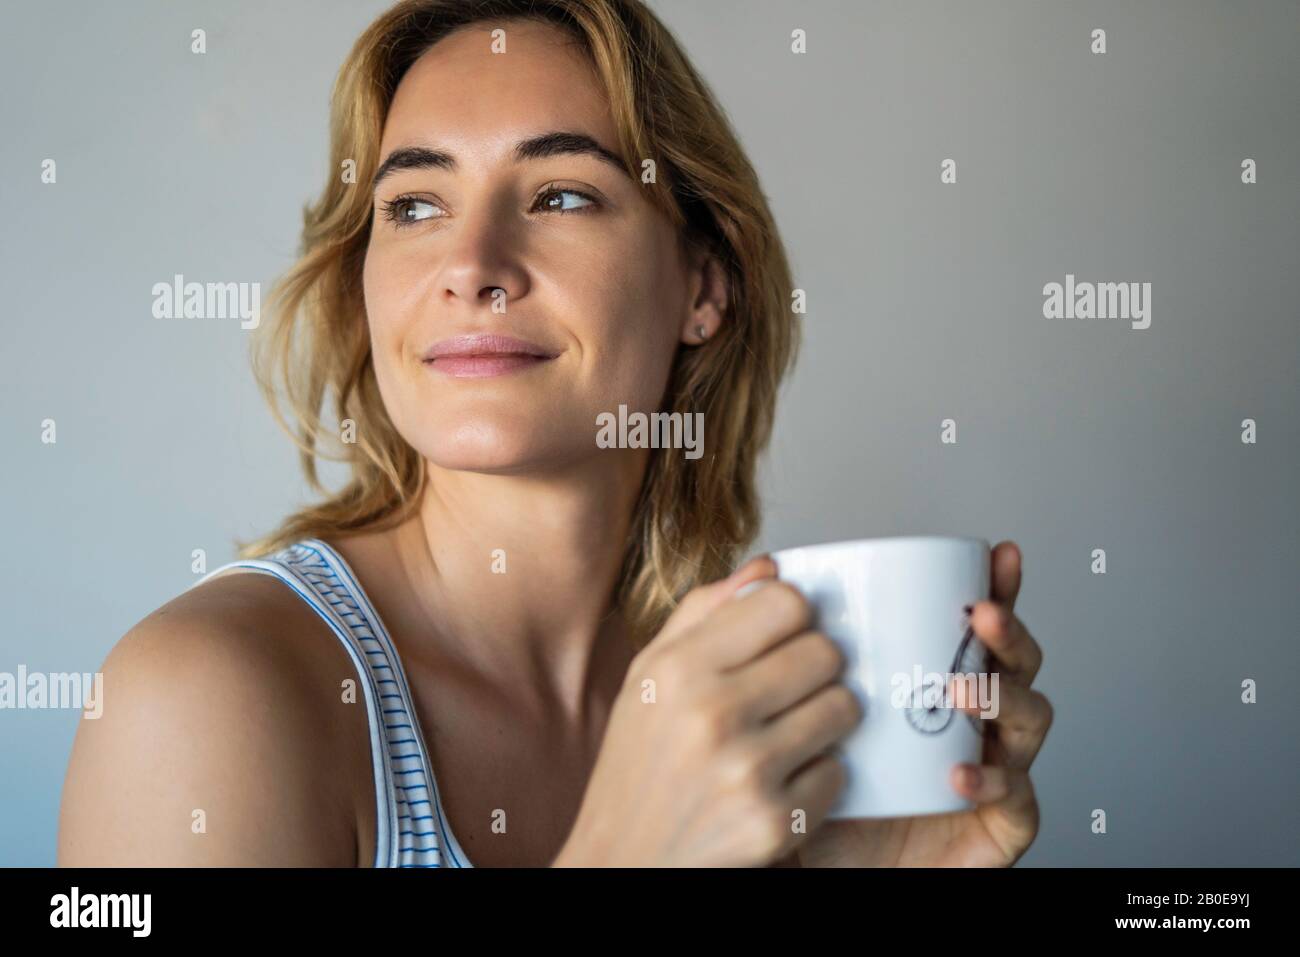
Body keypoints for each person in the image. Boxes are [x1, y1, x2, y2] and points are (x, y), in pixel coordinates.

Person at [58, 0, 1051, 867]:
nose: (472, 263)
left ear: (701, 287)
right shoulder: (204, 696)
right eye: (414, 205)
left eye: (561, 194)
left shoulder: (734, 715)